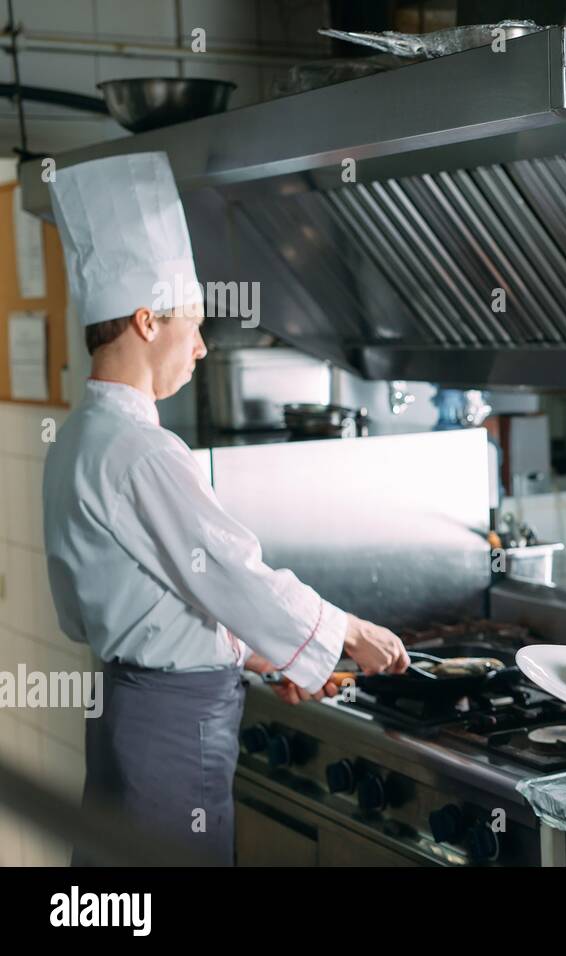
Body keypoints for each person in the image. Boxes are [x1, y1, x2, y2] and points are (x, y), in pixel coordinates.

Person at [42, 152, 409, 865]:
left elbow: (147, 597)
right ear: (148, 322)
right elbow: (234, 573)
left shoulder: (78, 438)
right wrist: (346, 630)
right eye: (194, 325)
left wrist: (272, 653)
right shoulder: (144, 453)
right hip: (174, 726)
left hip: (123, 708)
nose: (204, 347)